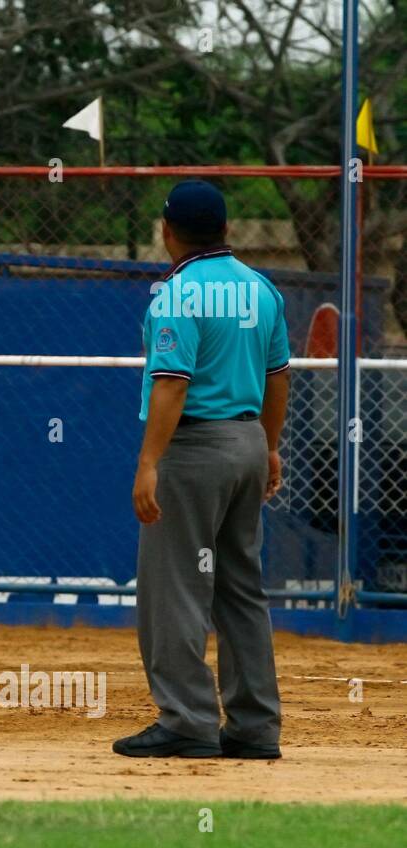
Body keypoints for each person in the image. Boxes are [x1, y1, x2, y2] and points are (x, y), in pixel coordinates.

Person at [115, 179, 290, 759]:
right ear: (227, 229)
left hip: (193, 450)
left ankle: (188, 720)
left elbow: (172, 382)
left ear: (168, 231)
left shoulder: (177, 294)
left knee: (174, 590)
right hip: (246, 441)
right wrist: (267, 446)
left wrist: (148, 461)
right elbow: (278, 376)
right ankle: (254, 727)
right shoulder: (262, 290)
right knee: (241, 588)